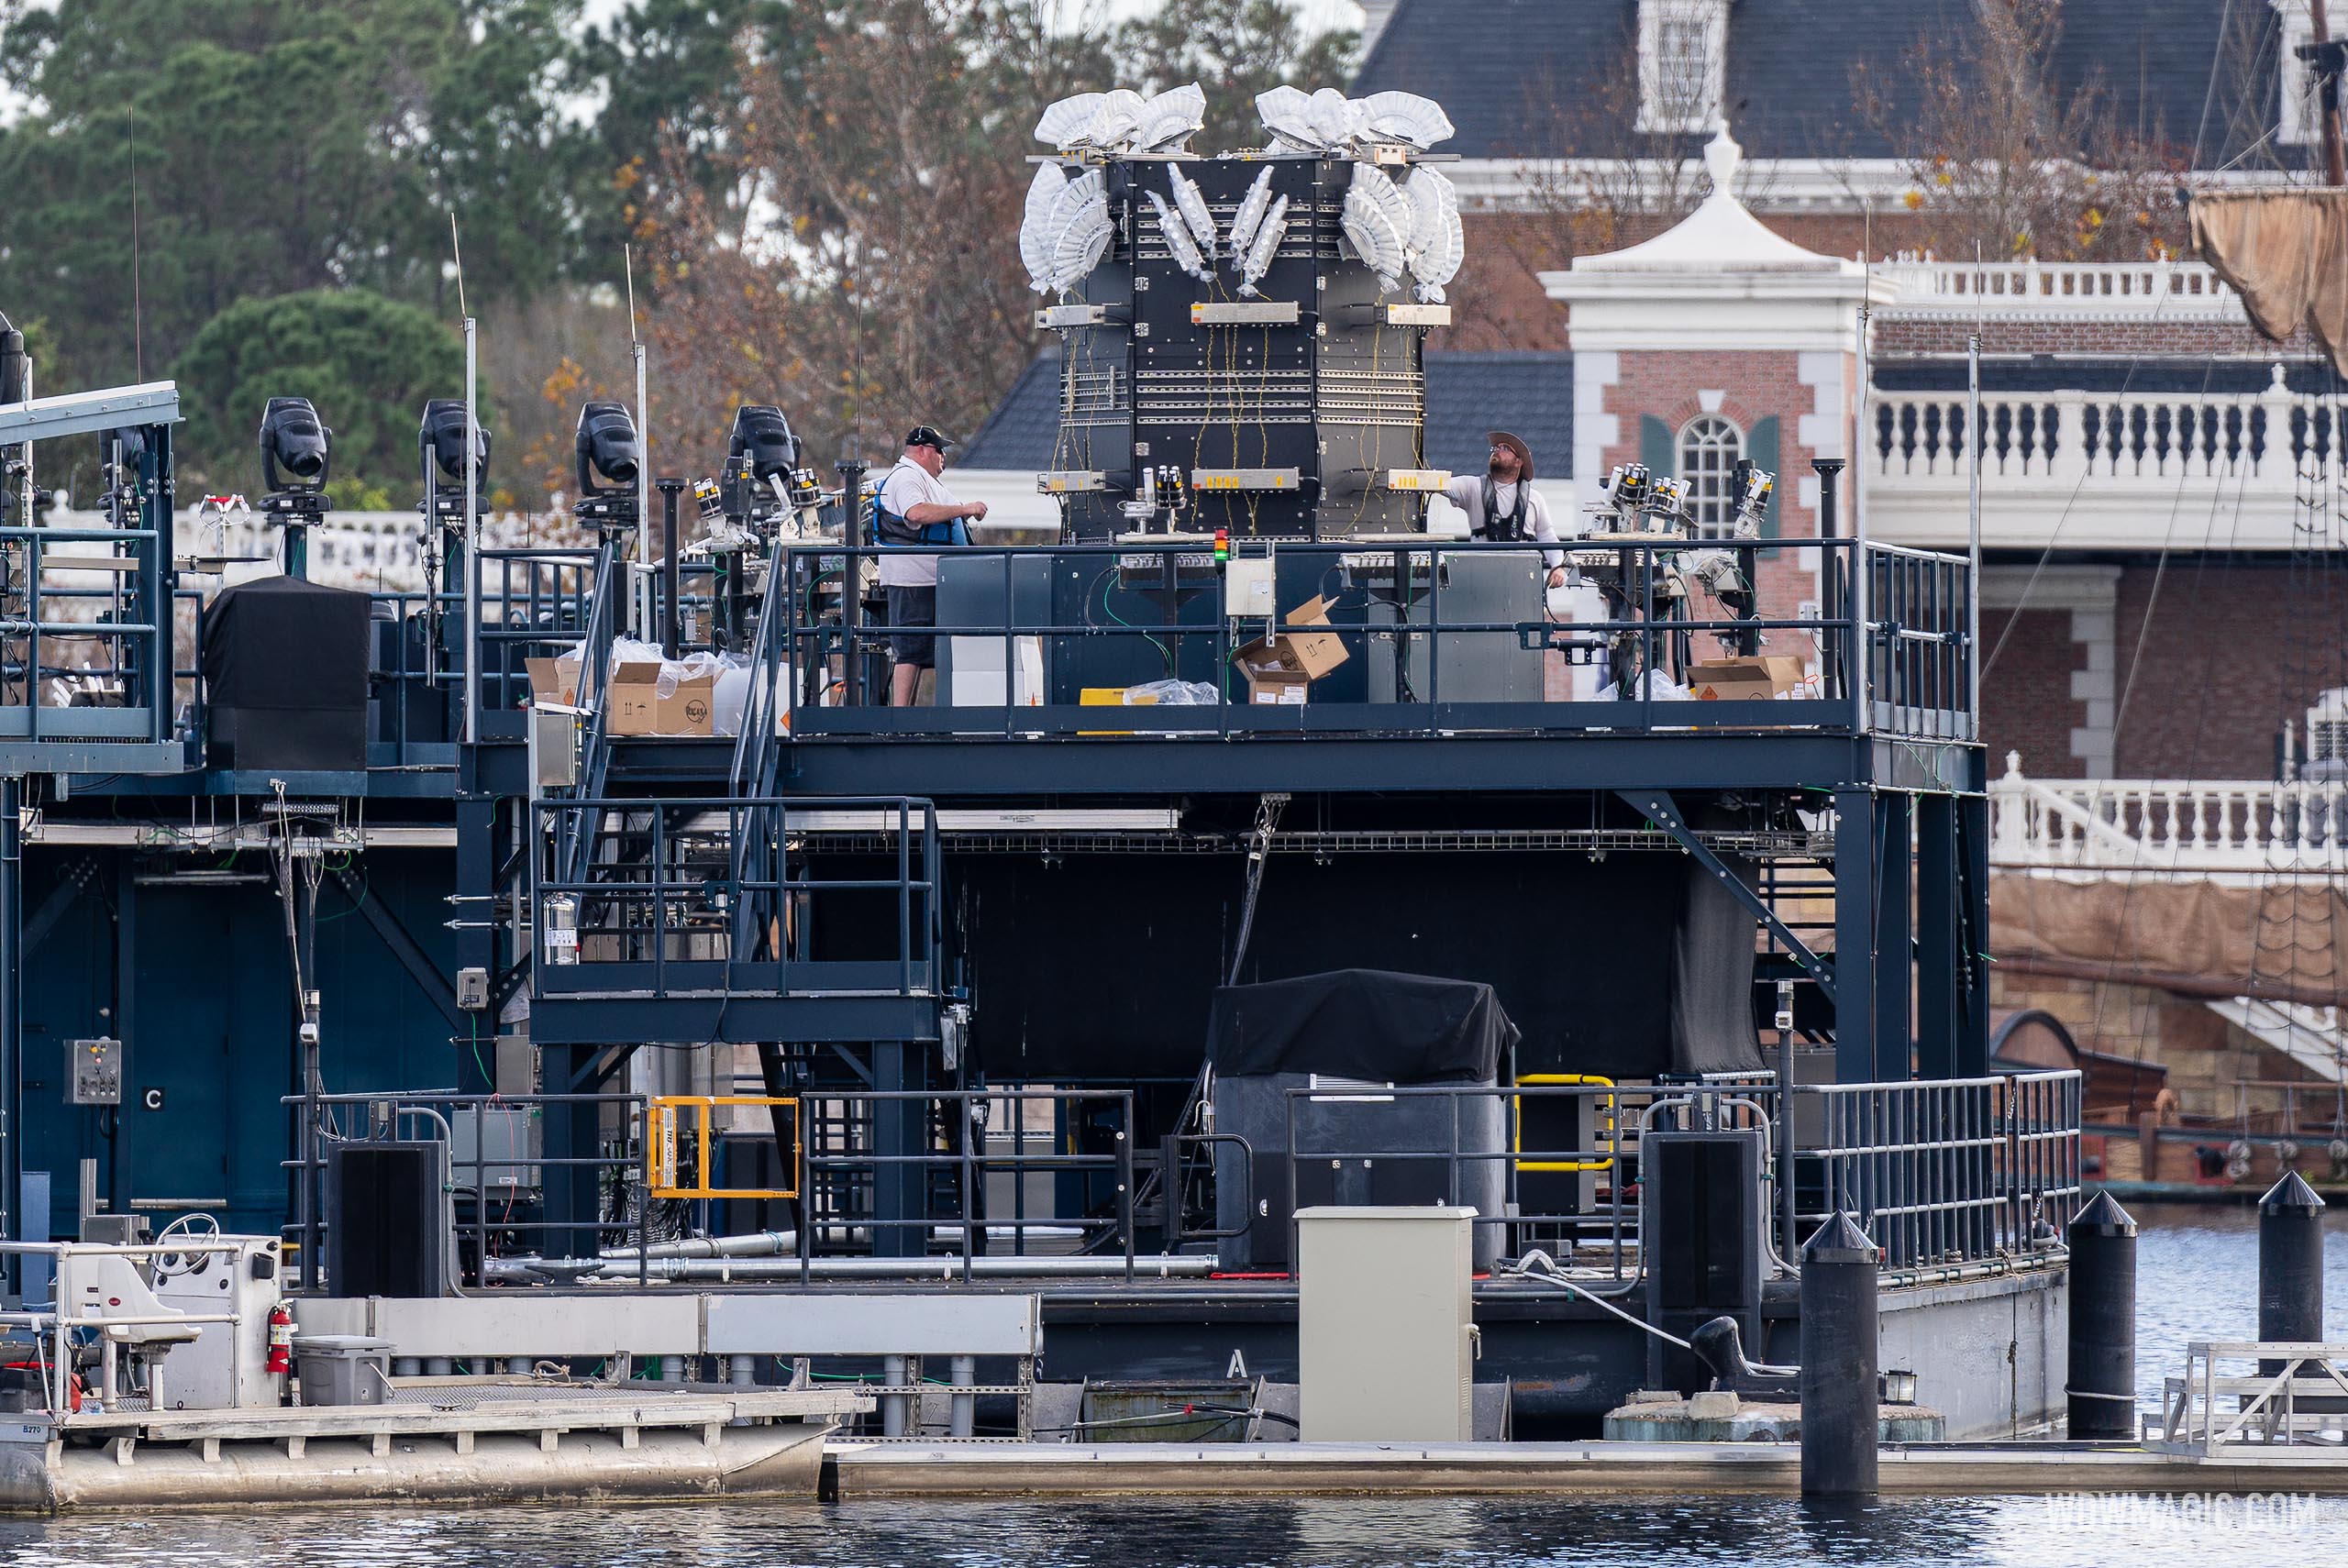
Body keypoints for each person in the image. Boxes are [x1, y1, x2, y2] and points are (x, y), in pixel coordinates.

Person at [874, 425, 987, 706]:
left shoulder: (921, 477)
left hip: (931, 580)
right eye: (939, 451)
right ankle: (901, 716)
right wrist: (965, 508)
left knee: (923, 651)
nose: (943, 457)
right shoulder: (906, 477)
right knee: (910, 650)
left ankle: (909, 716)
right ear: (922, 450)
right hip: (912, 581)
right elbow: (916, 512)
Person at [1444, 430, 1565, 590]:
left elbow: (1547, 535)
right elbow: (1440, 483)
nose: (1497, 450)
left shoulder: (1534, 498)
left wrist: (1557, 566)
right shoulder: (1473, 487)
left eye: (1505, 448)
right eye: (1496, 448)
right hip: (1482, 579)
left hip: (1523, 581)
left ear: (1518, 462)